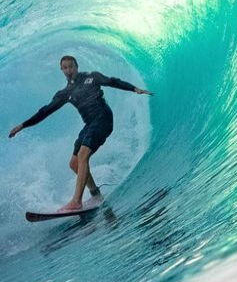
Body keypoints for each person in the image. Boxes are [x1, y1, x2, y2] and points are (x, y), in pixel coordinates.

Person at [9, 54, 152, 211]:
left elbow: (112, 81)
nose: (68, 70)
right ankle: (96, 194)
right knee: (74, 163)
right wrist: (23, 125)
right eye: (65, 67)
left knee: (83, 155)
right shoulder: (65, 93)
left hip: (103, 118)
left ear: (76, 66)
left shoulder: (92, 77)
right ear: (61, 70)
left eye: (71, 66)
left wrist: (134, 89)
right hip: (90, 124)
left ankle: (76, 201)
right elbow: (45, 111)